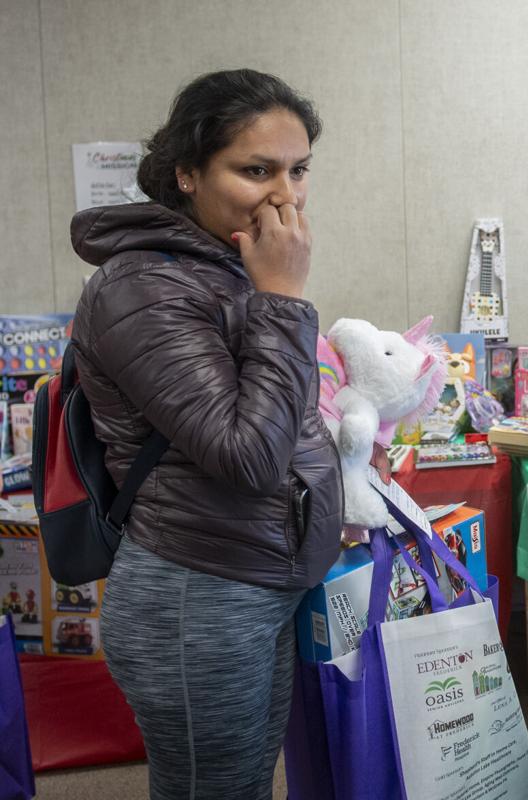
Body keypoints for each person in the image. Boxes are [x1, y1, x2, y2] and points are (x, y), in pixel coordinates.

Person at [70, 70, 343, 799]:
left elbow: (275, 417)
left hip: (253, 579)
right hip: (197, 594)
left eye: (298, 169)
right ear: (186, 173)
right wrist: (284, 299)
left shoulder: (226, 266)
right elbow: (247, 455)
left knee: (244, 781)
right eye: (256, 171)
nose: (286, 194)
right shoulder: (143, 286)